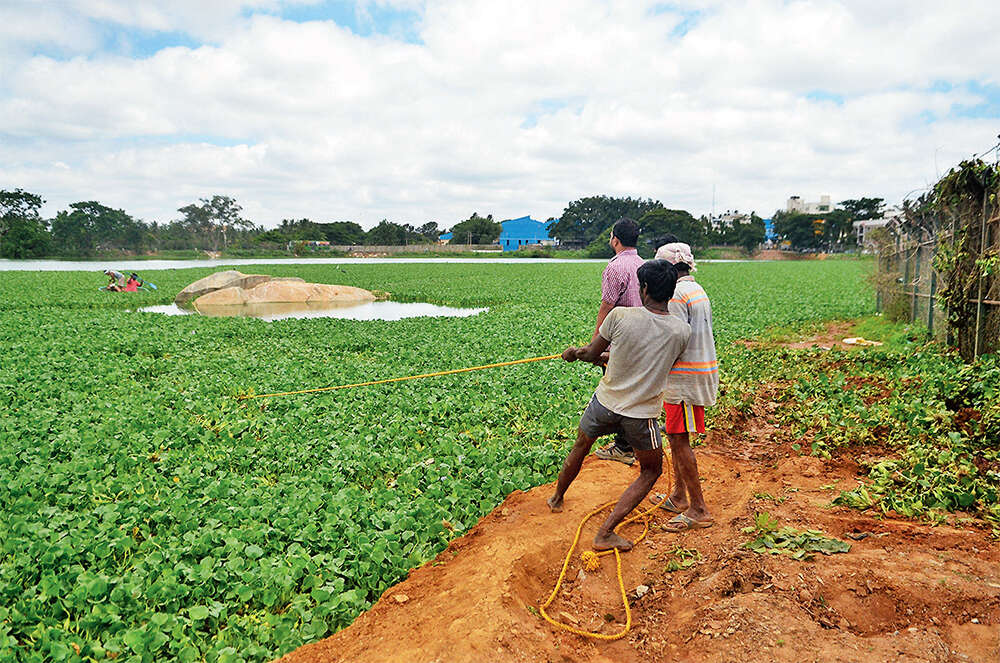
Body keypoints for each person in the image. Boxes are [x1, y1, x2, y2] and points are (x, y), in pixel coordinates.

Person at [548, 260, 691, 551]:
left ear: (645, 288)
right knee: (650, 470)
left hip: (606, 401)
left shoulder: (620, 316)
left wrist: (574, 353)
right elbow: (659, 362)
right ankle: (605, 533)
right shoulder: (681, 331)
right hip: (641, 414)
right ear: (671, 291)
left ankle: (557, 497)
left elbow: (591, 353)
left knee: (581, 445)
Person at [649, 242, 719, 531]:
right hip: (694, 372)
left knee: (679, 440)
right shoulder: (696, 288)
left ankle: (698, 508)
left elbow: (673, 340)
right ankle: (679, 496)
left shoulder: (676, 295)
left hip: (685, 378)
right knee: (677, 436)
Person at [590, 218, 645, 466]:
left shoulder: (615, 268)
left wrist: (595, 343)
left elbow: (607, 306)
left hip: (619, 341)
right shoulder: (645, 264)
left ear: (616, 239)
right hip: (642, 338)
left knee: (616, 390)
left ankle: (624, 447)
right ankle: (629, 443)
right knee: (633, 389)